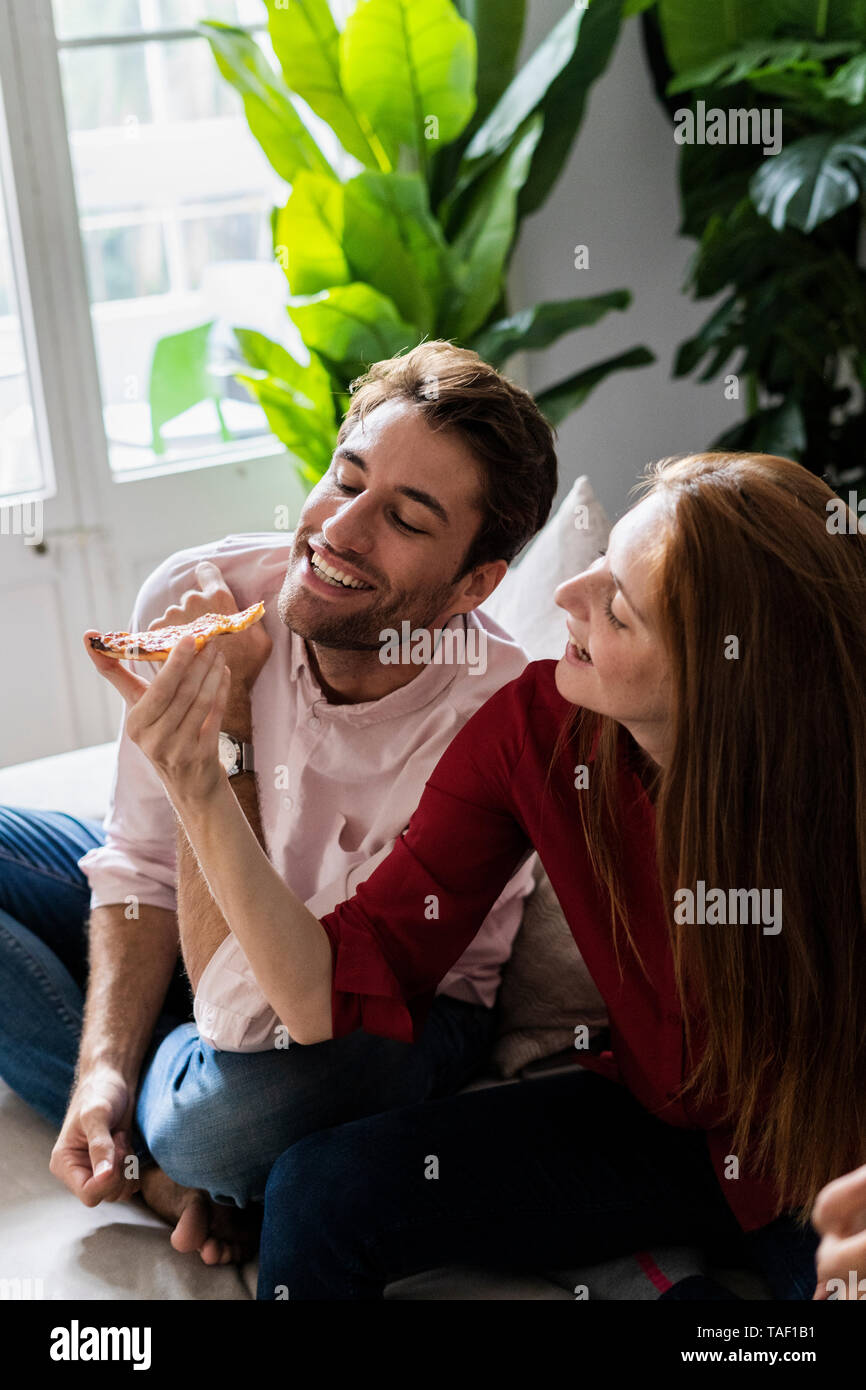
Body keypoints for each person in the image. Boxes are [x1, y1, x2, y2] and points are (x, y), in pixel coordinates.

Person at [92, 449, 866, 1300]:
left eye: (616, 606)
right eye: (598, 566)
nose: (569, 595)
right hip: (659, 1125)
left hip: (826, 1147)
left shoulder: (834, 799)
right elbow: (317, 994)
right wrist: (203, 780)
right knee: (317, 1187)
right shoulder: (534, 732)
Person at [0, 340, 557, 1265]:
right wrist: (98, 1069)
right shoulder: (201, 595)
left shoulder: (497, 713)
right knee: (176, 1108)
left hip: (375, 1011)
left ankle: (188, 1154)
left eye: (406, 519)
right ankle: (150, 1156)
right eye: (347, 480)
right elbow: (140, 862)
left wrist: (226, 734)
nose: (341, 531)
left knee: (226, 1126)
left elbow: (259, 1009)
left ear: (474, 585)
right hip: (202, 931)